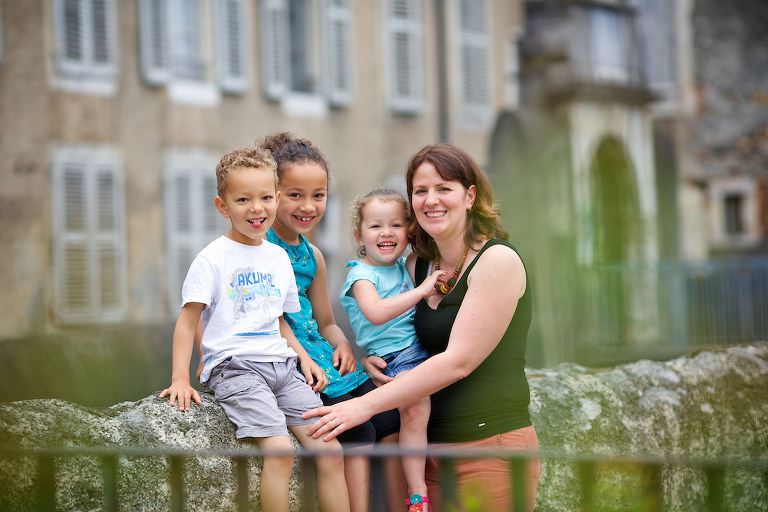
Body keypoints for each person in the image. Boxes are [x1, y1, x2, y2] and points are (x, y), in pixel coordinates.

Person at [304, 143, 541, 511]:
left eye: (443, 188)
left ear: (470, 196)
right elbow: (397, 331)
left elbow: (458, 361)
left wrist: (363, 406)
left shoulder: (497, 261)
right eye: (420, 191)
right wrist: (373, 359)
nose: (431, 200)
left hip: (488, 449)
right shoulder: (417, 265)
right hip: (427, 453)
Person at [159, 147, 350, 512]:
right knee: (280, 451)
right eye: (243, 199)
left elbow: (277, 319)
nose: (256, 208)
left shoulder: (277, 257)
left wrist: (304, 358)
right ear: (223, 206)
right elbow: (187, 321)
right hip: (237, 368)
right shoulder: (212, 258)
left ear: (276, 198)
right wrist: (180, 378)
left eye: (265, 198)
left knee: (331, 451)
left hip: (283, 368)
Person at [258, 133, 405, 512]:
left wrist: (341, 343)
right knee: (357, 429)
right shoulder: (260, 248)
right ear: (272, 193)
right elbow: (270, 319)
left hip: (324, 356)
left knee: (390, 418)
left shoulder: (313, 256)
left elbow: (325, 320)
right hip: (294, 364)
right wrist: (306, 357)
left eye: (319, 195)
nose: (308, 206)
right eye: (295, 195)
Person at [340, 188, 448, 512]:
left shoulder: (404, 265)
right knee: (415, 412)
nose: (386, 232)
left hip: (417, 349)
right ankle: (417, 493)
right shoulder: (361, 275)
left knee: (424, 413)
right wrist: (423, 290)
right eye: (376, 226)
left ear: (408, 232)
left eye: (396, 225)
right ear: (359, 235)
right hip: (394, 357)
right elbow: (375, 313)